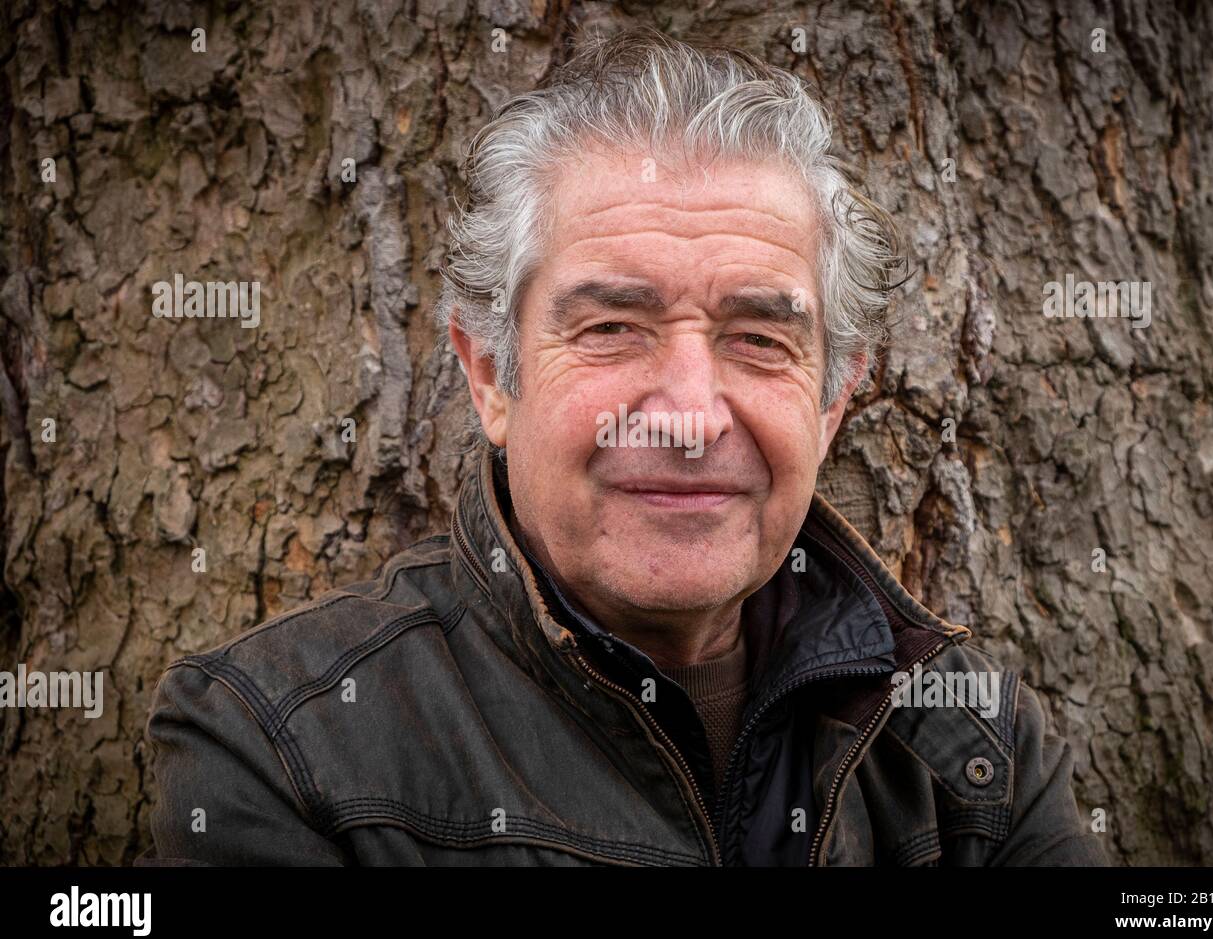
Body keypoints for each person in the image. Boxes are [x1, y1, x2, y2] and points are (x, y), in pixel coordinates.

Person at [139, 27, 1107, 866]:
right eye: (610, 328)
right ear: (489, 376)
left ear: (831, 400)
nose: (689, 415)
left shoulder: (972, 737)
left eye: (760, 339)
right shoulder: (280, 737)